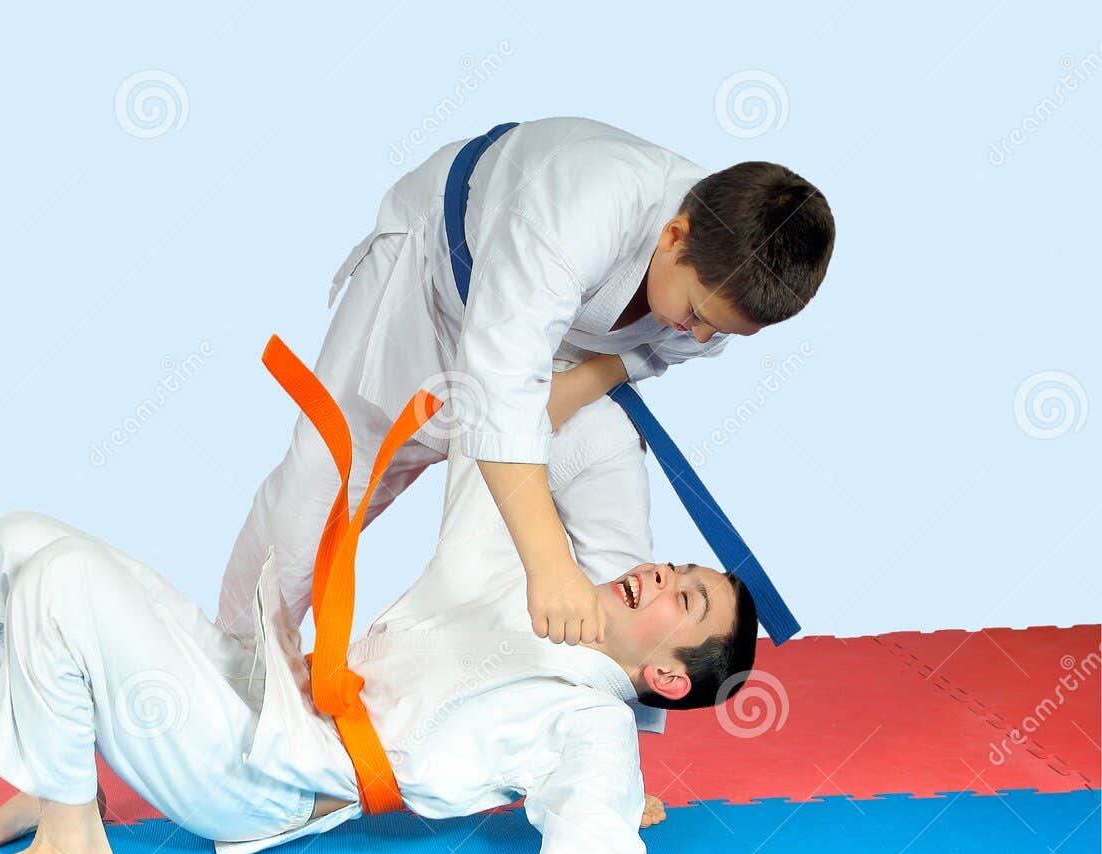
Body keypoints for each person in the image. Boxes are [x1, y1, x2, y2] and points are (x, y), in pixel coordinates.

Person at [0, 509, 757, 854]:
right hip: (262, 680)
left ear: (666, 676)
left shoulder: (593, 721)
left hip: (265, 770)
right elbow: (506, 448)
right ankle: (56, 779)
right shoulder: (538, 586)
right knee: (16, 541)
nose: (662, 574)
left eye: (684, 599)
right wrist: (593, 368)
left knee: (63, 578)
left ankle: (76, 852)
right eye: (678, 568)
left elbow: (593, 829)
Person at [217, 115, 832, 652]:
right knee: (322, 484)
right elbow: (499, 387)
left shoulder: (729, 275)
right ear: (674, 236)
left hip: (559, 344)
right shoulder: (583, 204)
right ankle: (235, 668)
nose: (699, 336)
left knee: (609, 462)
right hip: (432, 282)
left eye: (718, 331)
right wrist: (552, 568)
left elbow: (646, 353)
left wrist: (573, 390)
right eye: (696, 315)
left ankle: (610, 695)